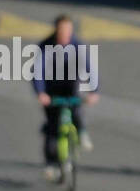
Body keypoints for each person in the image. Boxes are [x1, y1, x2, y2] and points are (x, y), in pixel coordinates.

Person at [33, 14, 99, 182]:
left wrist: (93, 91)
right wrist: (41, 93)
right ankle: (50, 164)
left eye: (68, 30)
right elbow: (38, 71)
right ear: (56, 30)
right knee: (52, 129)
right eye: (62, 30)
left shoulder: (77, 46)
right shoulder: (45, 46)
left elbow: (89, 68)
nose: (65, 33)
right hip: (51, 89)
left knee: (76, 110)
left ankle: (82, 133)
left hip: (70, 86)